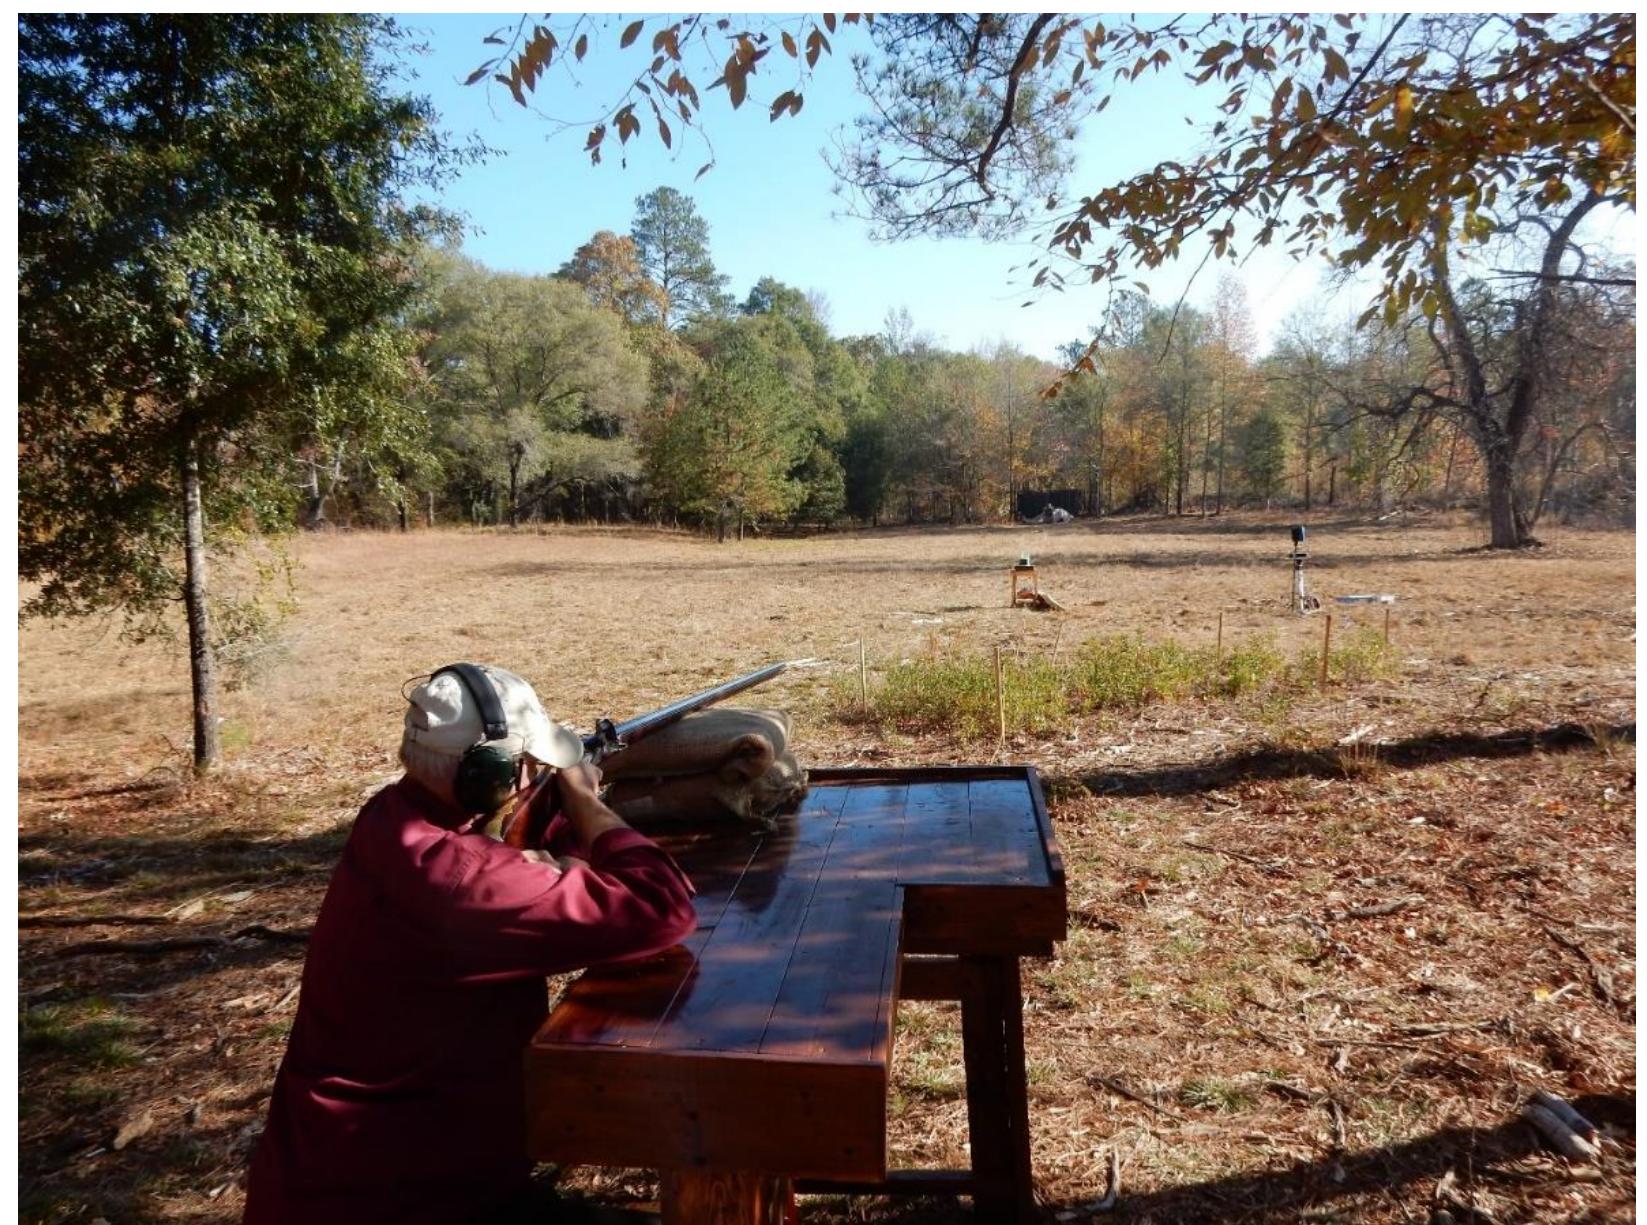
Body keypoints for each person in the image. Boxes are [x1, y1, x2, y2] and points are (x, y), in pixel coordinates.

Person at [243, 664, 698, 1225]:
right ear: (492, 776)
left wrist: (548, 827)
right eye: (529, 767)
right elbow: (662, 907)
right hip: (405, 1203)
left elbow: (510, 848)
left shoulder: (394, 816)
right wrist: (584, 800)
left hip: (357, 1178)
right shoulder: (463, 884)